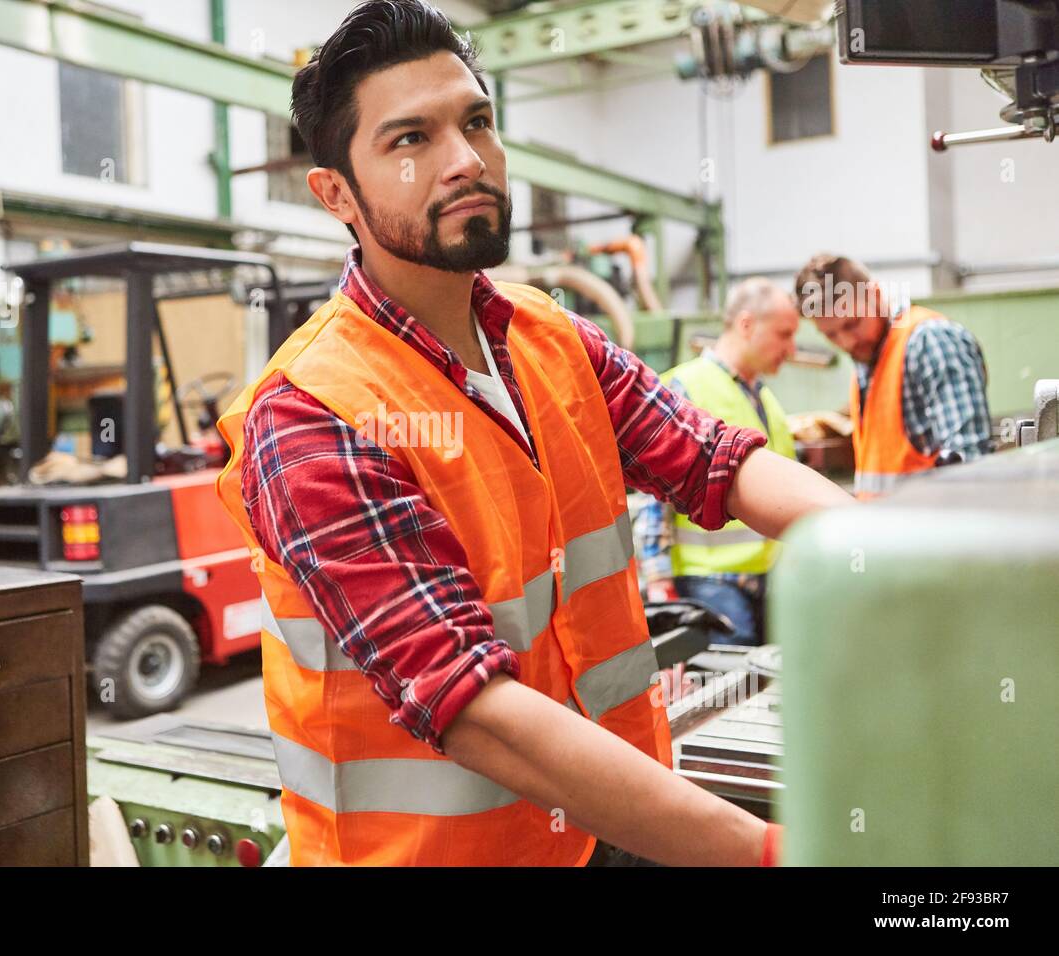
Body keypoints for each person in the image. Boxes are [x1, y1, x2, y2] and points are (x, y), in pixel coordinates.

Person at [215, 0, 853, 867]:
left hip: (606, 828)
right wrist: (770, 852)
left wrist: (889, 556)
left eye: (477, 121)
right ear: (336, 194)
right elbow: (471, 705)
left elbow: (713, 462)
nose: (467, 160)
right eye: (411, 140)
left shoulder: (548, 336)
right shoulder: (309, 415)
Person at [639, 278, 800, 646]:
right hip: (709, 587)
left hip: (766, 583)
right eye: (784, 334)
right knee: (724, 694)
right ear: (747, 325)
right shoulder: (684, 388)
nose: (791, 350)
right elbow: (655, 498)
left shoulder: (767, 401)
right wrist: (660, 584)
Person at [794, 254, 993, 498]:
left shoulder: (931, 340)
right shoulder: (868, 361)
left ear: (875, 294)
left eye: (852, 323)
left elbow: (969, 464)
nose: (846, 342)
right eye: (831, 335)